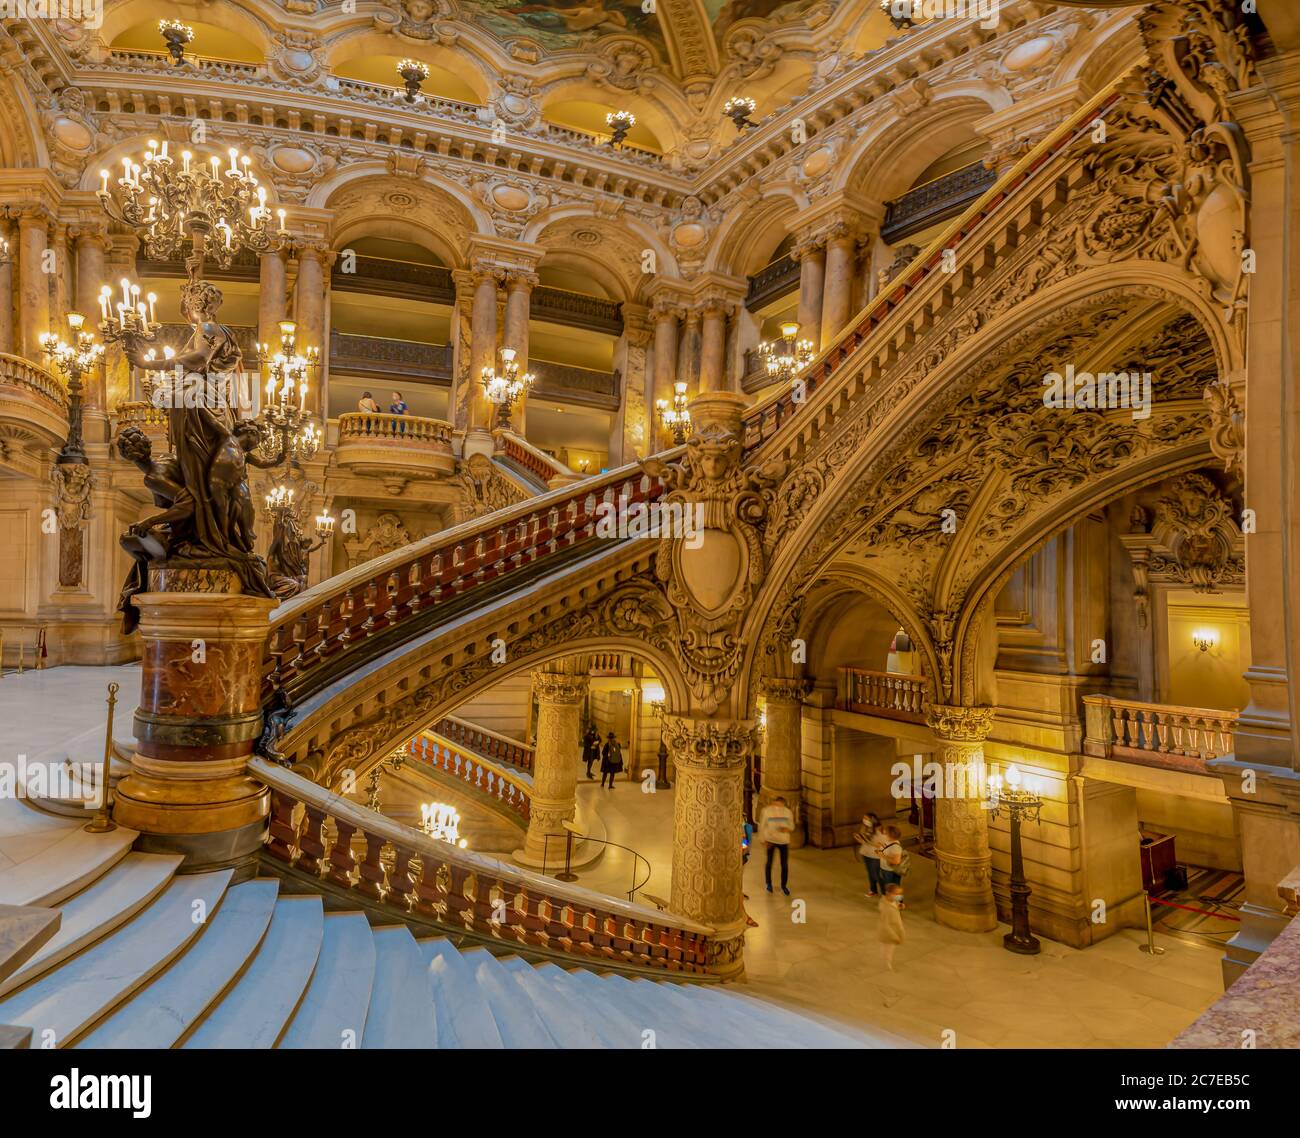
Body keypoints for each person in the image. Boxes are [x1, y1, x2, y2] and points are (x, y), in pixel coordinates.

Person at [757, 795, 794, 895]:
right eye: (777, 805)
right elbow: (762, 825)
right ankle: (768, 883)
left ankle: (784, 885)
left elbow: (791, 825)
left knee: (784, 864)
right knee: (769, 863)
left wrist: (787, 829)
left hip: (783, 841)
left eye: (781, 805)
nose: (778, 807)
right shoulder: (767, 811)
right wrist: (762, 839)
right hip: (771, 840)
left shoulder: (788, 812)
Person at [855, 812, 886, 898]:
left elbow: (881, 844)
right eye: (864, 819)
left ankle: (884, 892)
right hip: (866, 853)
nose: (865, 821)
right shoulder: (864, 828)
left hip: (875, 855)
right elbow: (864, 839)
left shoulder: (880, 830)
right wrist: (860, 839)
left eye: (867, 819)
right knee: (870, 873)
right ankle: (873, 890)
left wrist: (866, 842)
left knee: (876, 874)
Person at [878, 824, 909, 904]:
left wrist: (882, 856)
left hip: (890, 871)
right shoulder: (888, 842)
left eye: (885, 833)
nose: (883, 834)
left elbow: (896, 861)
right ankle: (897, 902)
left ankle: (898, 903)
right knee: (893, 887)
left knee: (893, 888)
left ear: (891, 835)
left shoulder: (895, 847)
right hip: (886, 869)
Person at [878, 882, 905, 971]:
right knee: (887, 950)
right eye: (896, 894)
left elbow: (895, 905)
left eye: (899, 894)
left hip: (894, 930)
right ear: (888, 893)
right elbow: (885, 925)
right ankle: (885, 965)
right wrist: (895, 937)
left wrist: (899, 906)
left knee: (889, 950)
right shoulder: (886, 908)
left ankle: (886, 962)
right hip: (889, 933)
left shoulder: (892, 901)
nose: (899, 896)